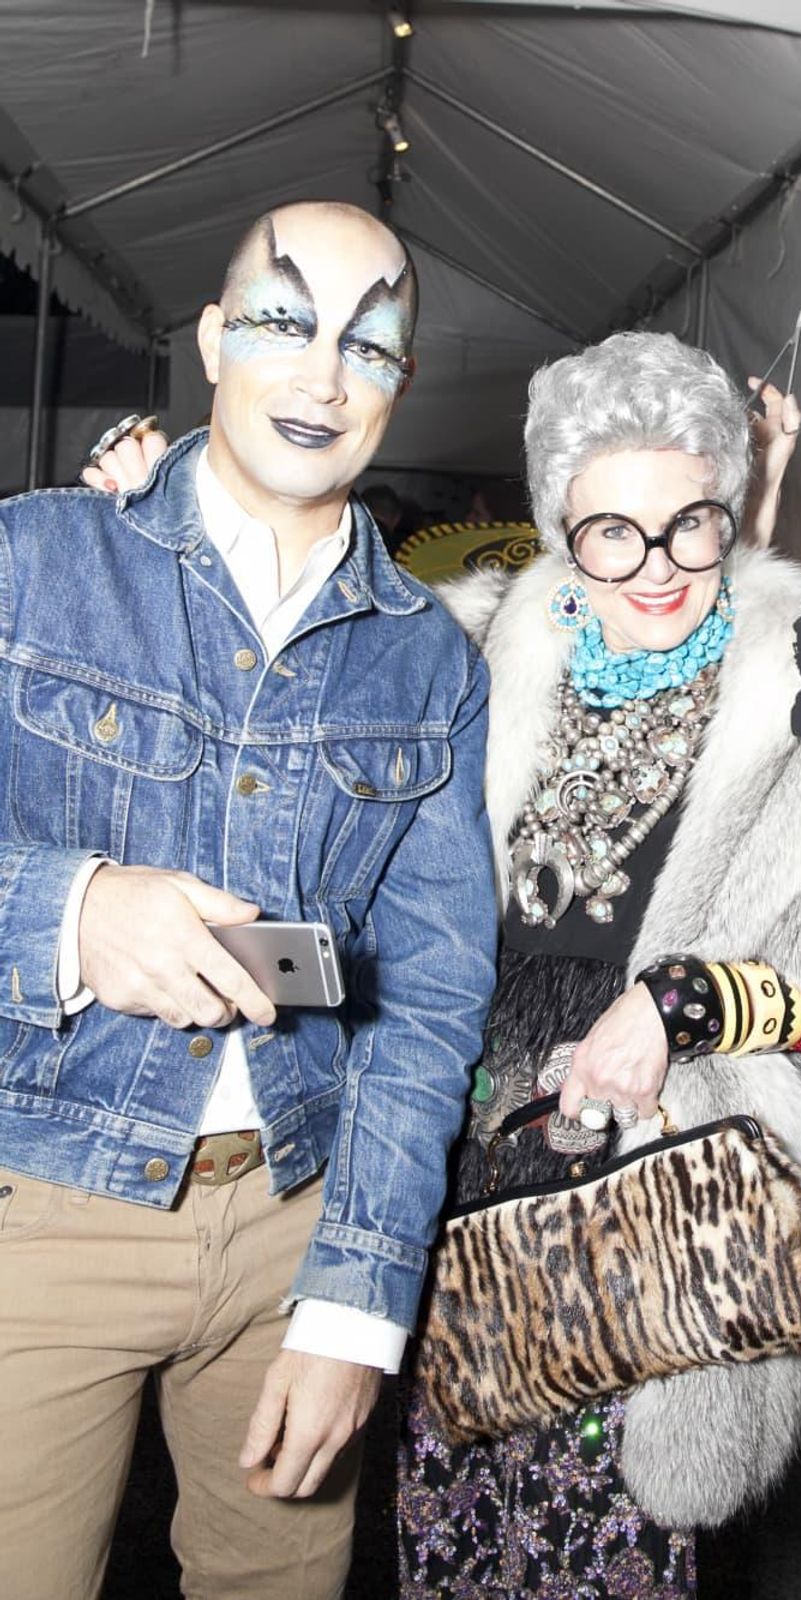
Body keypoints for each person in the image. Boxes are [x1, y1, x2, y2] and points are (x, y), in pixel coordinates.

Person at [390, 330, 801, 1596]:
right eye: (612, 532)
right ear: (559, 527)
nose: (655, 567)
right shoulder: (479, 651)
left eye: (689, 525)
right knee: (452, 1536)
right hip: (465, 1192)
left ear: (727, 511)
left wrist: (688, 1003)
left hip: (660, 1199)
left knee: (609, 1551)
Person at [0, 201, 497, 1600]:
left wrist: (359, 1302)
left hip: (298, 1219)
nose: (324, 375)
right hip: (40, 1203)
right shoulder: (33, 563)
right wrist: (67, 911)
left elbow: (431, 998)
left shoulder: (431, 662)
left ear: (402, 382)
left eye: (370, 346)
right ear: (214, 339)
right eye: (285, 322)